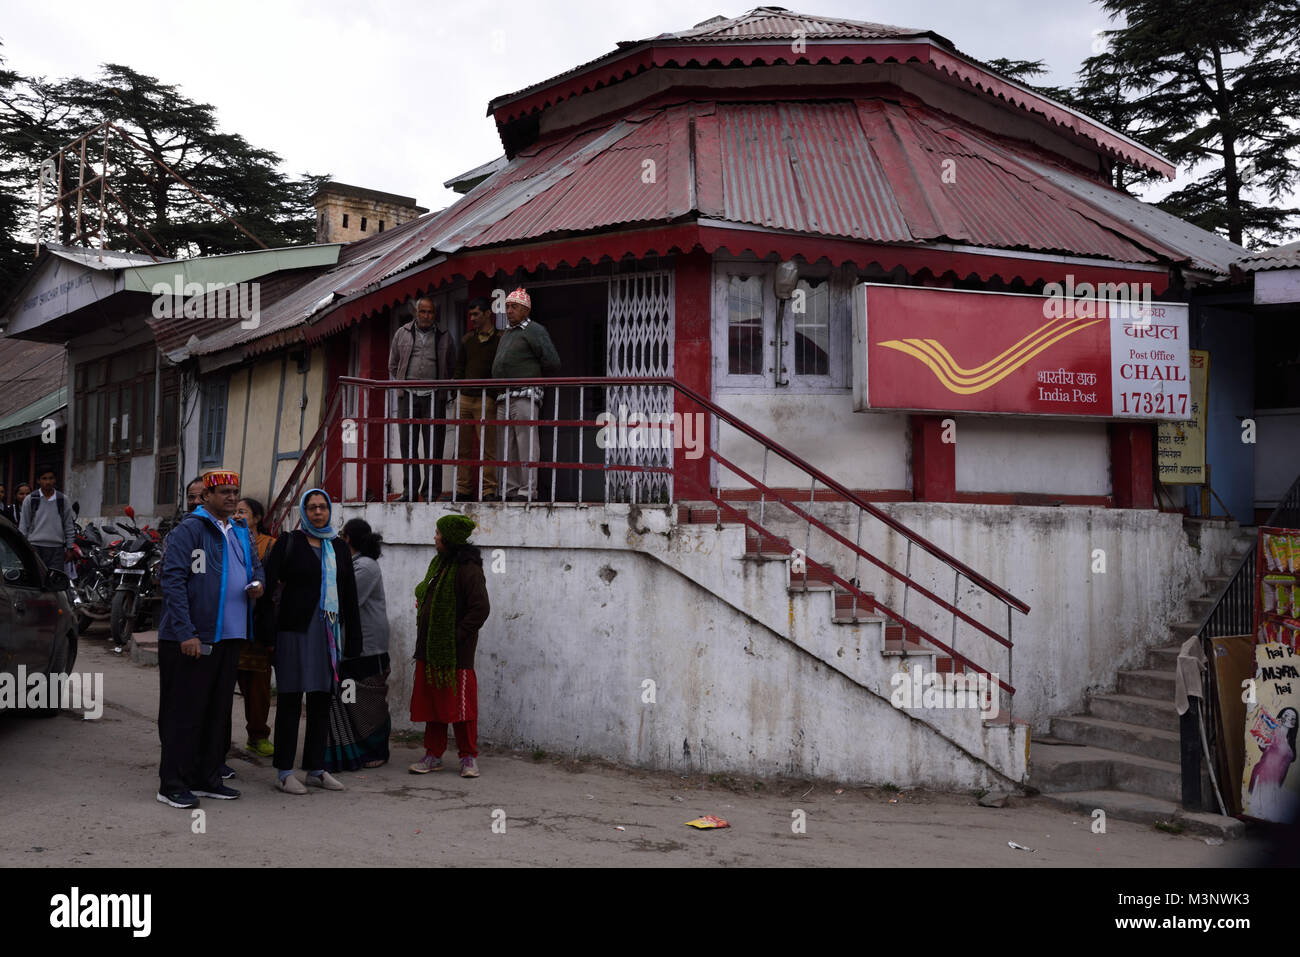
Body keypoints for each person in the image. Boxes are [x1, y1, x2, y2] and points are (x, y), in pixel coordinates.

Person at [155, 468, 264, 809]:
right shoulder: (190, 530)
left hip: (230, 635)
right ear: (206, 497)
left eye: (235, 492)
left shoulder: (241, 529)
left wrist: (258, 584)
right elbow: (172, 580)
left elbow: (256, 567)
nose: (232, 497)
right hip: (191, 638)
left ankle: (206, 777)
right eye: (224, 493)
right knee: (184, 712)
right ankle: (172, 783)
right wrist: (186, 631)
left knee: (216, 711)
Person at [256, 488, 362, 794]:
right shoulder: (289, 543)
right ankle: (284, 772)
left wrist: (354, 638)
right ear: (304, 511)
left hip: (327, 635)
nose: (318, 512)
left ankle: (316, 768)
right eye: (312, 507)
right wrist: (266, 634)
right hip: (293, 632)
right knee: (290, 700)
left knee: (321, 701)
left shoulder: (339, 548)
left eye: (323, 507)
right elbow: (267, 587)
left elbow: (349, 595)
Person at [408, 514, 490, 778]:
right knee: (434, 704)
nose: (435, 537)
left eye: (438, 533)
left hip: (456, 654)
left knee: (462, 707)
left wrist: (454, 636)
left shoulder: (468, 569)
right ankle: (433, 754)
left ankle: (468, 757)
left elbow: (480, 609)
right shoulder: (439, 564)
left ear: (449, 538)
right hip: (430, 650)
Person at [324, 518, 391, 771]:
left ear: (348, 538)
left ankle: (376, 749)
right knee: (350, 699)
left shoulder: (366, 566)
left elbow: (345, 601)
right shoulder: (352, 564)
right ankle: (354, 750)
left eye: (342, 534)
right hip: (351, 645)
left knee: (368, 702)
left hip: (368, 646)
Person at [492, 288, 560, 502]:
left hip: (525, 393)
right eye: (507, 307)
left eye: (514, 307)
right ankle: (510, 489)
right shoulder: (507, 334)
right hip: (504, 396)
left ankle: (526, 491)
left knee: (526, 443)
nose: (509, 311)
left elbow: (552, 361)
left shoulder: (534, 330)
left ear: (525, 310)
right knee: (506, 444)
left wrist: (534, 378)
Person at [389, 297, 455, 502]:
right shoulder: (402, 333)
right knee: (408, 446)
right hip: (407, 395)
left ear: (435, 314)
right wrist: (404, 383)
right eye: (423, 312)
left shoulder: (444, 336)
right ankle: (409, 492)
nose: (426, 316)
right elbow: (393, 364)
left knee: (433, 448)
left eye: (430, 312)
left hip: (434, 396)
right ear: (416, 313)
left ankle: (430, 493)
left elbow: (450, 366)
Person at [232, 497, 276, 757]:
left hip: (258, 626)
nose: (238, 515)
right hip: (231, 625)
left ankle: (258, 735)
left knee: (258, 688)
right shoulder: (228, 541)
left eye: (243, 512)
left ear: (258, 517)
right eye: (235, 511)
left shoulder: (270, 546)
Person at [453, 298, 503, 502]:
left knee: (488, 447)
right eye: (471, 315)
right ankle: (463, 489)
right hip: (464, 397)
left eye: (476, 314)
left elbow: (501, 368)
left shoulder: (501, 339)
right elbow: (459, 368)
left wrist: (493, 392)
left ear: (487, 314)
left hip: (486, 398)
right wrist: (456, 389)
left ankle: (489, 490)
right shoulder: (467, 340)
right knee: (462, 447)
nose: (472, 319)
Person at [18, 466, 76, 574]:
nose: (48, 482)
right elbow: (23, 526)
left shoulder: (63, 500)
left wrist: (70, 548)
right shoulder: (30, 499)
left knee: (55, 581)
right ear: (38, 481)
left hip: (57, 550)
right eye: (44, 478)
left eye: (51, 478)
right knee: (35, 579)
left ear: (55, 480)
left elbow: (68, 525)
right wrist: (23, 548)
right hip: (34, 548)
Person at [1248, 706, 1298, 822]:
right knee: (1263, 813)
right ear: (1280, 717)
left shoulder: (1291, 741)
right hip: (1264, 778)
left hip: (1276, 784)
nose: (1289, 718)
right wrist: (1262, 743)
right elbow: (1264, 743)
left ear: (1295, 723)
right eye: (1286, 715)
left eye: (1293, 717)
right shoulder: (1275, 731)